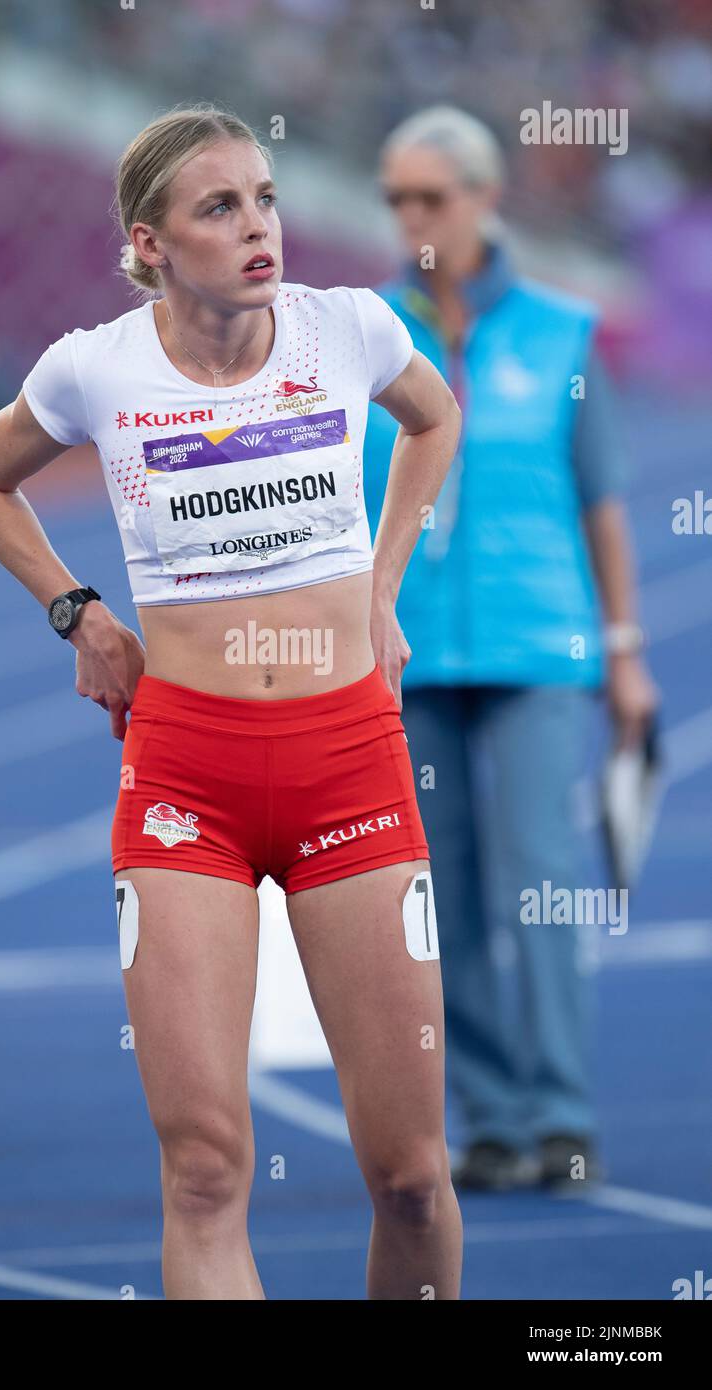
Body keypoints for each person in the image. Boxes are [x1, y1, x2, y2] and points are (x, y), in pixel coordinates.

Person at [0, 104, 464, 1300]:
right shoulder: (94, 367)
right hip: (187, 778)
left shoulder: (348, 329)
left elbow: (434, 417)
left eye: (265, 198)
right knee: (201, 1170)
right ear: (151, 244)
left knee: (409, 1175)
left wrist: (380, 584)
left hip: (349, 761)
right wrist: (79, 613)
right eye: (219, 207)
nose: (256, 226)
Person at [363, 106, 660, 1192]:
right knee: (439, 892)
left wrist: (623, 650)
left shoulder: (559, 331)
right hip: (409, 654)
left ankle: (561, 1111)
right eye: (396, 199)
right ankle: (488, 1117)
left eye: (431, 197)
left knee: (542, 877)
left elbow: (602, 505)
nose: (412, 217)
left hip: (539, 645)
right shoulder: (365, 334)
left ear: (485, 198)